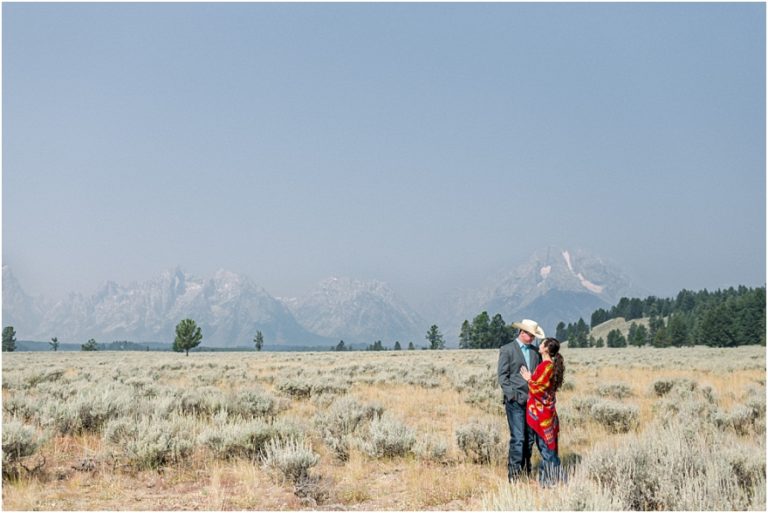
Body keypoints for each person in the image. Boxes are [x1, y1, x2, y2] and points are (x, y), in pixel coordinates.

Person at [497, 318, 545, 481]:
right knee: (518, 438)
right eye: (530, 335)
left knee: (529, 438)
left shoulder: (535, 351)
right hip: (515, 402)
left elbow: (538, 374)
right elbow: (503, 376)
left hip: (532, 402)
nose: (532, 338)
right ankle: (514, 476)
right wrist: (512, 395)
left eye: (534, 336)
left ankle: (526, 470)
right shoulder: (507, 349)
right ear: (521, 332)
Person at [519, 337, 565, 486]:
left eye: (542, 343)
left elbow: (539, 389)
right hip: (546, 412)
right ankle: (557, 480)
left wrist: (528, 379)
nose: (540, 344)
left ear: (546, 349)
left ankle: (548, 483)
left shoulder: (546, 366)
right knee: (547, 448)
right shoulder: (547, 365)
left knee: (546, 450)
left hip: (543, 414)